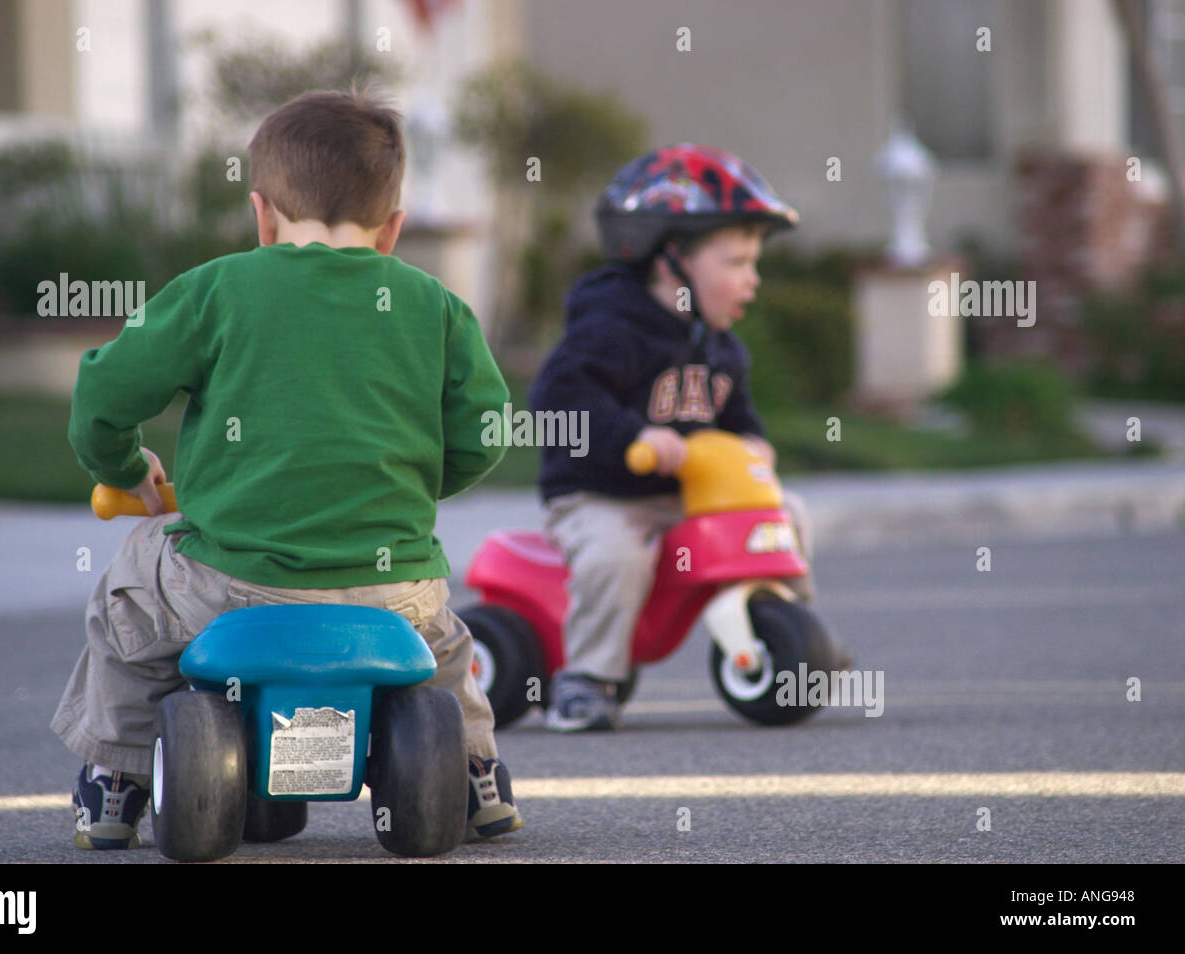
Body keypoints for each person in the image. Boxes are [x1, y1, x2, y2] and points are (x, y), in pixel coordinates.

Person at [52, 88, 523, 848]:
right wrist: (406, 483)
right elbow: (487, 431)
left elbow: (102, 392)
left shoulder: (217, 290)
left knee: (130, 601)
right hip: (391, 587)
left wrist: (124, 464)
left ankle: (120, 777)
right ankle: (474, 771)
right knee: (444, 648)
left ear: (262, 213)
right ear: (392, 230)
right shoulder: (434, 305)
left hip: (232, 586)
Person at [529, 143, 850, 732]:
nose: (751, 280)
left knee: (786, 512)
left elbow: (736, 420)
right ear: (671, 258)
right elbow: (559, 402)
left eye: (754, 263)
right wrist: (634, 435)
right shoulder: (609, 328)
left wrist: (753, 445)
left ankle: (791, 632)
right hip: (602, 496)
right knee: (615, 553)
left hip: (686, 496)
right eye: (735, 263)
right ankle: (589, 677)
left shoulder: (721, 348)